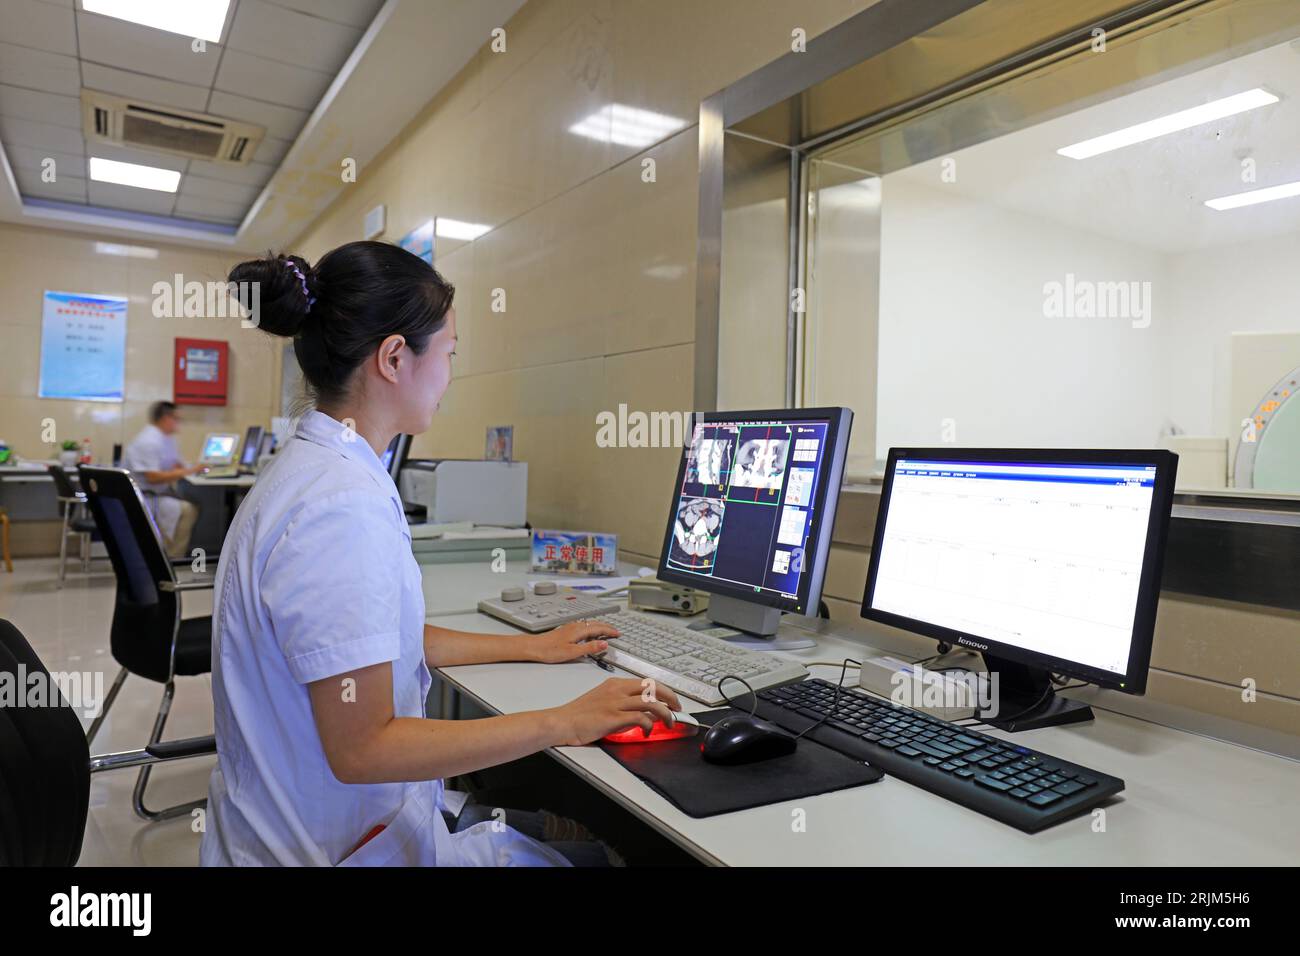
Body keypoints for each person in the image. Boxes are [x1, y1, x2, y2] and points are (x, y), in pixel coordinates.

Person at [200, 242, 681, 867]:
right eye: (449, 353)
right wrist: (564, 720)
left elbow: (377, 642)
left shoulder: (317, 471)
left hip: (333, 824)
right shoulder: (338, 507)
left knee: (564, 828)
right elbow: (364, 749)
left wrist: (528, 646)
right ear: (395, 358)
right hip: (330, 849)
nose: (450, 375)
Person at [122, 401, 203, 558]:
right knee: (189, 510)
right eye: (177, 419)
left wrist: (188, 468)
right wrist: (190, 470)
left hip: (158, 493)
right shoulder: (148, 441)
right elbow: (152, 477)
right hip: (146, 497)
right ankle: (173, 558)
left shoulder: (165, 439)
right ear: (166, 418)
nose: (179, 423)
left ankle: (171, 554)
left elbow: (175, 463)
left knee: (192, 505)